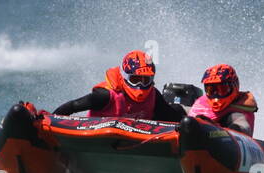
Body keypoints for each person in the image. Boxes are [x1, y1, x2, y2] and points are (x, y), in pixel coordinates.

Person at [51, 49, 187, 121]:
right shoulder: (105, 96)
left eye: (146, 80)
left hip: (141, 142)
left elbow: (172, 116)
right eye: (135, 79)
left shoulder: (153, 95)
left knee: (176, 112)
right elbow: (73, 106)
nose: (140, 86)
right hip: (100, 140)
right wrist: (50, 120)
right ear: (124, 77)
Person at [187, 64, 257, 135]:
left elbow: (243, 127)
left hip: (224, 139)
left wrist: (212, 132)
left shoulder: (241, 109)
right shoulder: (204, 101)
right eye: (210, 90)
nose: (216, 96)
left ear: (235, 86)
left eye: (222, 90)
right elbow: (190, 113)